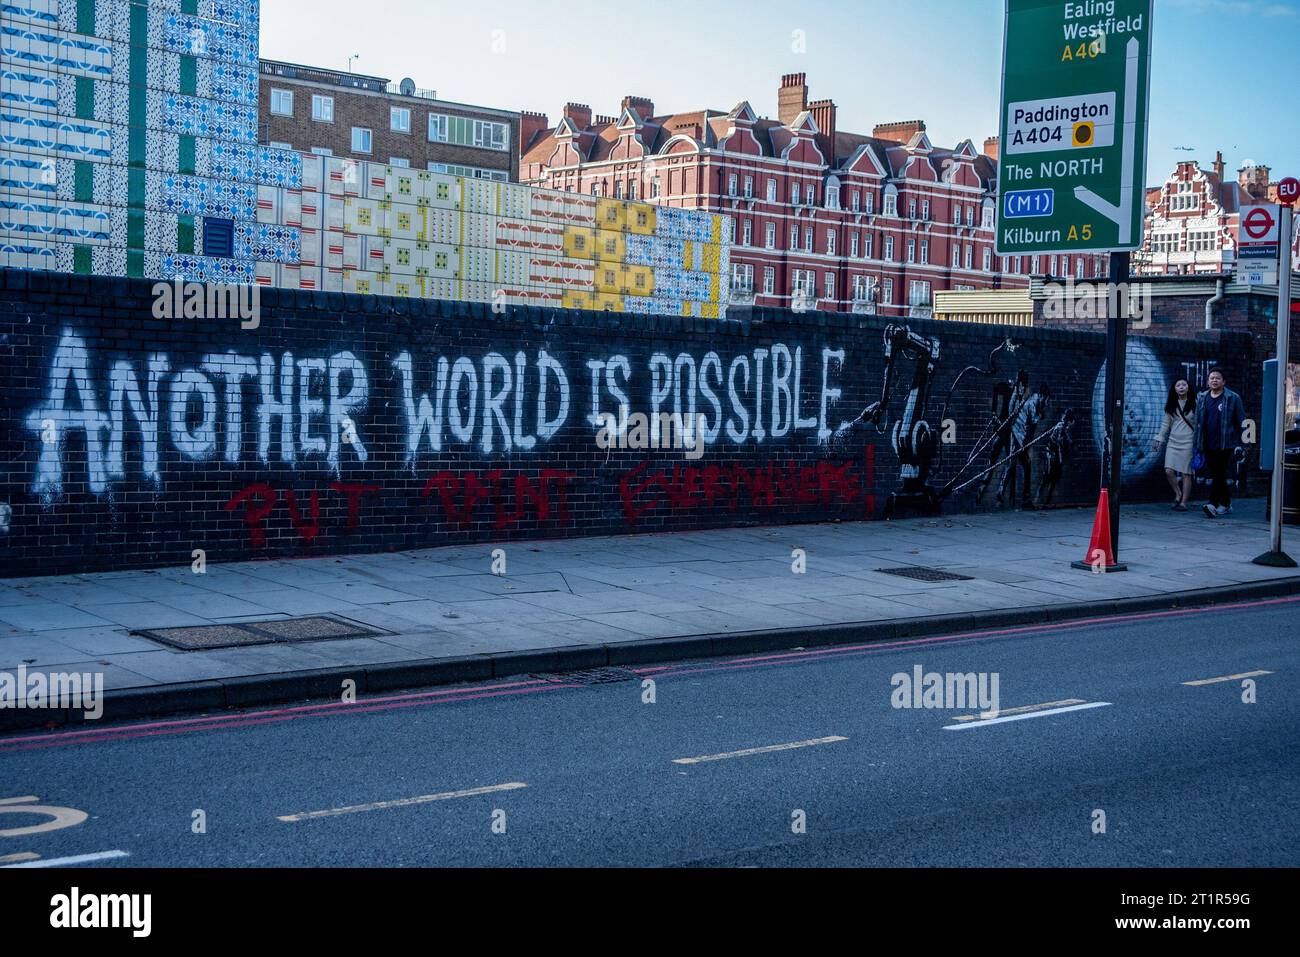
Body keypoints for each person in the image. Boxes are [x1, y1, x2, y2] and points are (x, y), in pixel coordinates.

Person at [1193, 368, 1246, 519]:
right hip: (1208, 443)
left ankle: (1213, 503)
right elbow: (1198, 422)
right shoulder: (1202, 397)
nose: (1214, 380)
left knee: (1219, 473)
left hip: (1226, 444)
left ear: (1224, 381)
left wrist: (1242, 445)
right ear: (1208, 381)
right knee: (1217, 474)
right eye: (1211, 378)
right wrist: (1197, 443)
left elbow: (1242, 421)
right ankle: (1226, 503)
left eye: (1217, 378)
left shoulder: (1233, 398)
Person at [1152, 379, 1196, 511]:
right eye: (1178, 385)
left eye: (1184, 385)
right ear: (1175, 389)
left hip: (1188, 441)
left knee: (1186, 473)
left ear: (1188, 387)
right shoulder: (1171, 405)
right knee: (1169, 471)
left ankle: (1183, 502)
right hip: (1173, 442)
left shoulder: (1195, 404)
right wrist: (1158, 439)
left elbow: (1200, 423)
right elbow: (1165, 424)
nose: (1181, 387)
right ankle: (1178, 492)